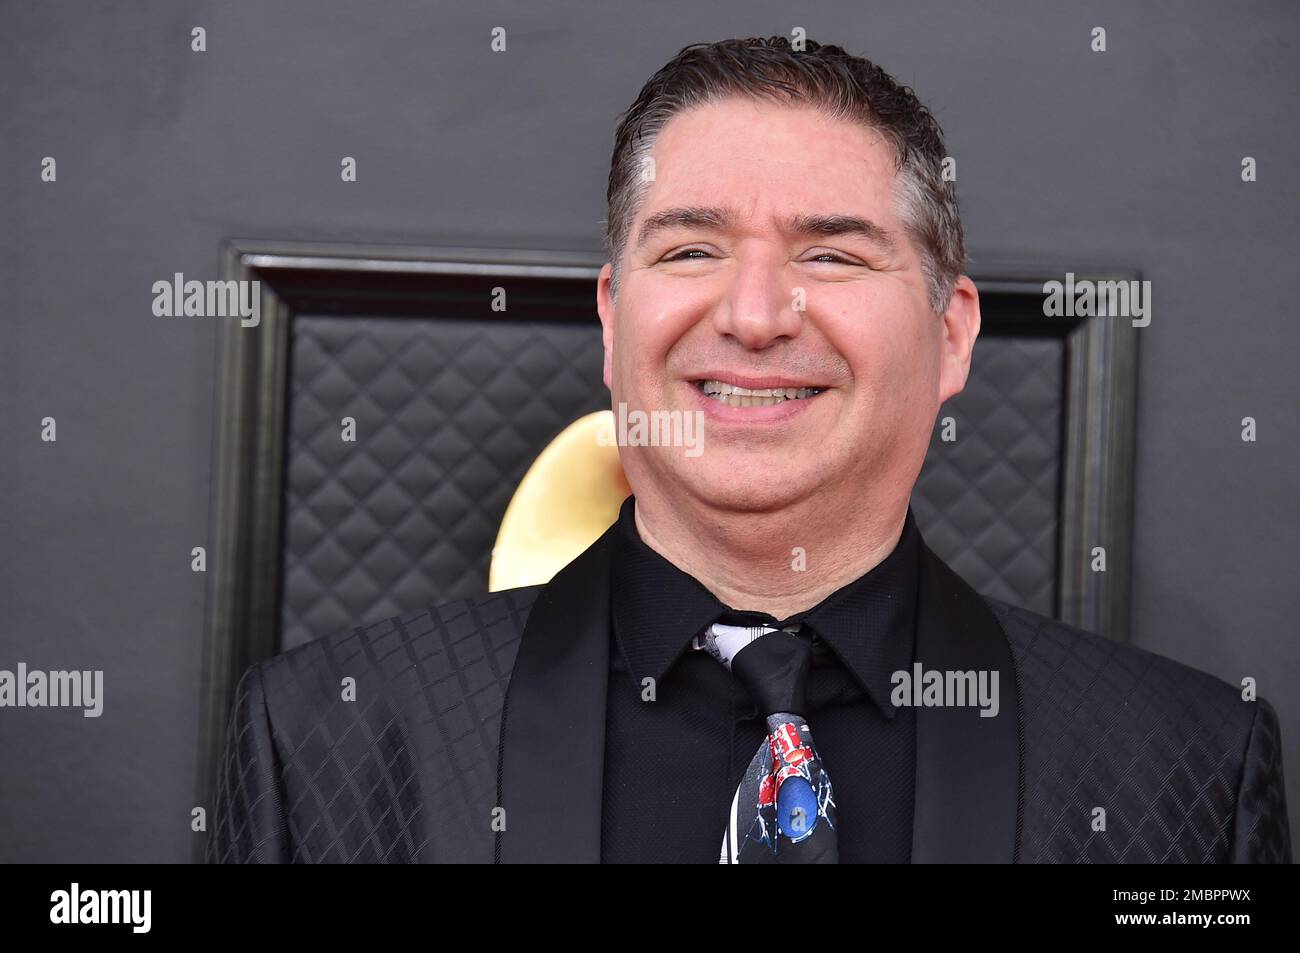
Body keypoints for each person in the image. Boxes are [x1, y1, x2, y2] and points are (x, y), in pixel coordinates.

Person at [207, 35, 1290, 863]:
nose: (758, 312)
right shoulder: (324, 740)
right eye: (690, 246)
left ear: (951, 332)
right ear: (613, 313)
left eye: (831, 251)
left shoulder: (1183, 767)